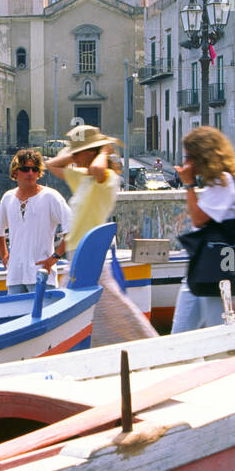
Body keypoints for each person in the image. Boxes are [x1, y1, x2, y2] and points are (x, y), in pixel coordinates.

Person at [45, 124, 158, 345]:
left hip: (90, 253)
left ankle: (149, 347)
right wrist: (76, 153)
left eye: (78, 152)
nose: (74, 157)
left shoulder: (107, 178)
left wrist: (104, 151)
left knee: (108, 310)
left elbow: (98, 170)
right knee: (104, 311)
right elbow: (52, 165)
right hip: (77, 253)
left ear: (91, 153)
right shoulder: (84, 177)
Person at [171, 126, 235, 333]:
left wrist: (188, 185)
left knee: (217, 331)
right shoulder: (219, 183)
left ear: (201, 156)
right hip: (204, 266)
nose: (185, 163)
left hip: (218, 268)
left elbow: (198, 219)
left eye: (188, 157)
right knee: (180, 333)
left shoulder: (224, 182)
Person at [0, 148, 68, 293]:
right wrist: (5, 256)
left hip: (42, 275)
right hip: (15, 277)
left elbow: (73, 229)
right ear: (15, 172)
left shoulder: (51, 197)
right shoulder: (8, 198)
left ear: (39, 173)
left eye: (34, 169)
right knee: (14, 316)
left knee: (44, 316)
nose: (31, 173)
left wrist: (55, 257)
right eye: (25, 169)